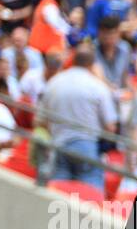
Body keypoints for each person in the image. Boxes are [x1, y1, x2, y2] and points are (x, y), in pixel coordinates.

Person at [38, 44, 117, 189]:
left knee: (58, 194)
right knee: (89, 195)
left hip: (59, 144)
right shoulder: (97, 86)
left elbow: (41, 120)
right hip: (87, 146)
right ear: (92, 64)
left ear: (73, 59)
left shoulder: (54, 82)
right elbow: (110, 126)